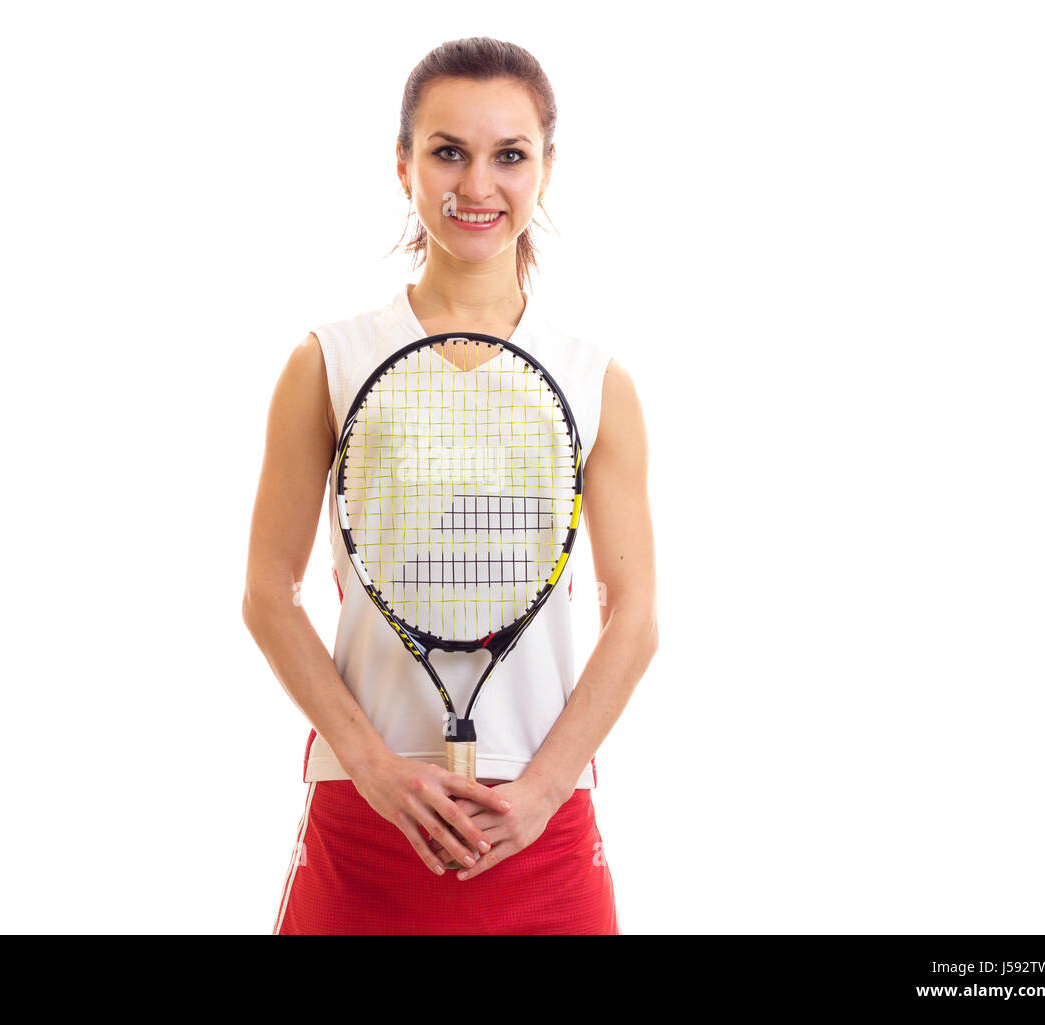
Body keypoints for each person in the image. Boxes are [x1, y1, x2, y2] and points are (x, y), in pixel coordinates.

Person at [243, 37, 657, 934]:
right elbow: (267, 597)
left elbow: (637, 616)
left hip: (540, 831)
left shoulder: (595, 380)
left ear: (547, 168)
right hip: (366, 816)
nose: (477, 186)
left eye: (510, 154)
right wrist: (375, 768)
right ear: (403, 164)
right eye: (447, 152)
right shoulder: (328, 362)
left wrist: (543, 790)